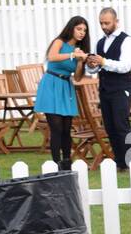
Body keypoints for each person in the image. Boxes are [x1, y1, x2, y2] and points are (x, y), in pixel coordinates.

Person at [84, 7, 131, 169]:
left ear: (116, 21)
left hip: (121, 88)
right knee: (110, 126)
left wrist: (103, 62)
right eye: (101, 23)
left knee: (121, 124)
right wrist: (92, 65)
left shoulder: (127, 41)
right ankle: (120, 162)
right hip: (105, 89)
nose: (103, 26)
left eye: (107, 23)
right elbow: (95, 69)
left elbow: (125, 66)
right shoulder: (100, 42)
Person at [33, 17, 90, 168]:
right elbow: (52, 57)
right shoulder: (59, 42)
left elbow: (77, 77)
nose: (82, 33)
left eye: (84, 30)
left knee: (66, 127)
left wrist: (79, 61)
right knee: (56, 127)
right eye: (79, 29)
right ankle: (55, 163)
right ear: (71, 28)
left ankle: (66, 162)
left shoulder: (79, 50)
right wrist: (72, 55)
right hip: (51, 84)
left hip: (66, 87)